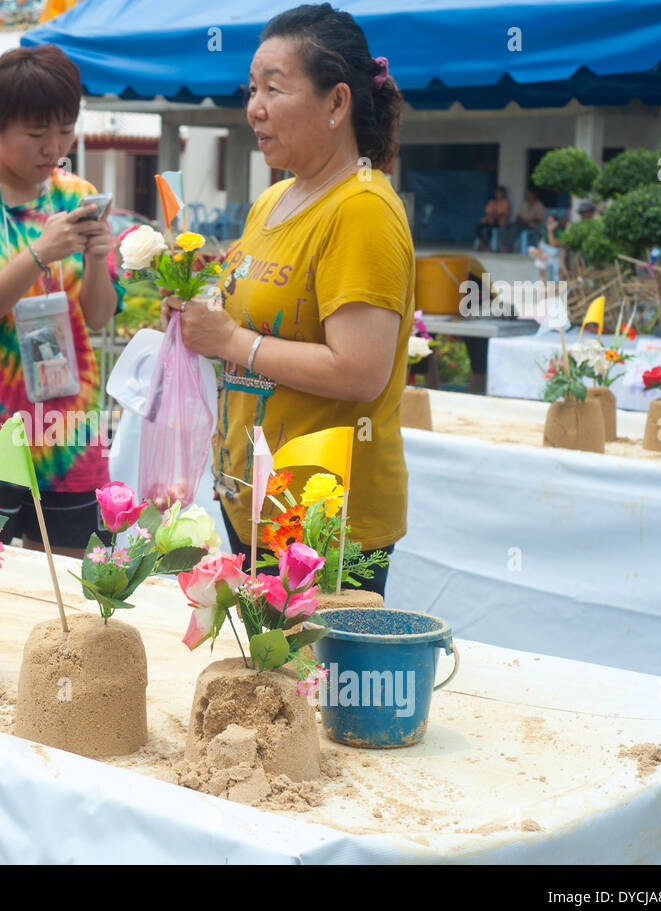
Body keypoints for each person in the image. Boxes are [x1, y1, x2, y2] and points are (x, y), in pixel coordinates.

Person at [165, 2, 414, 596]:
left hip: (323, 519)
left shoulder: (361, 209)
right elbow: (253, 319)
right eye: (252, 89)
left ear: (337, 103)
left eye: (274, 89)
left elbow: (359, 371)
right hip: (253, 499)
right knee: (265, 685)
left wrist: (232, 340)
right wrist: (195, 300)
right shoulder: (273, 202)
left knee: (311, 686)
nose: (255, 107)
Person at [0, 45, 119, 558]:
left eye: (65, 130)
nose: (53, 147)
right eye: (36, 133)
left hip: (68, 432)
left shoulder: (76, 194)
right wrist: (37, 254)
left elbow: (99, 316)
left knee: (72, 589)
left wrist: (98, 258)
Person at [528, 213, 565, 282]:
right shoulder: (545, 233)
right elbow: (540, 245)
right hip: (544, 256)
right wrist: (539, 254)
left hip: (554, 258)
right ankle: (541, 282)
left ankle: (541, 281)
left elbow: (552, 243)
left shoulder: (559, 233)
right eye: (548, 222)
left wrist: (550, 231)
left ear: (555, 223)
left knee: (540, 261)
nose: (549, 223)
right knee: (531, 250)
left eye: (551, 222)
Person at [474, 186, 510, 251]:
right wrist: (487, 219)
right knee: (479, 225)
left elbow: (502, 214)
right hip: (490, 220)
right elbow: (488, 212)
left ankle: (490, 245)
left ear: (503, 193)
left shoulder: (505, 202)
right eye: (496, 193)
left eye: (499, 193)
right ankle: (480, 243)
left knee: (489, 227)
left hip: (499, 222)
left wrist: (493, 217)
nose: (497, 194)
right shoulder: (492, 202)